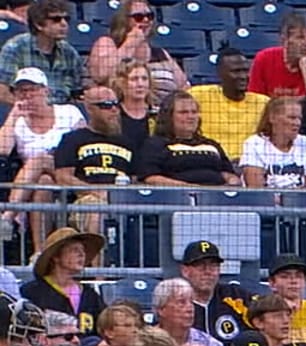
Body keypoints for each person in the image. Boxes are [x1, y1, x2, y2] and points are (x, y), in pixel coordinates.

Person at [0, 67, 83, 250]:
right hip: (38, 182)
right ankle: (40, 252)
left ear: (46, 90)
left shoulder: (68, 112)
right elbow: (3, 150)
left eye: (33, 89)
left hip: (69, 173)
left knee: (40, 159)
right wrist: (14, 113)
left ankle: (7, 217)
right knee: (43, 184)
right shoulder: (19, 121)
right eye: (22, 91)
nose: (28, 95)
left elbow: (83, 146)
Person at [51, 84, 133, 239]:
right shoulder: (73, 139)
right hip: (86, 201)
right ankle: (96, 264)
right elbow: (63, 177)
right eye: (106, 106)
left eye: (116, 104)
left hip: (122, 200)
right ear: (89, 109)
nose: (114, 110)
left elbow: (135, 178)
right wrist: (96, 192)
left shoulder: (127, 142)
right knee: (96, 209)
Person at [135, 90, 240, 187]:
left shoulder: (211, 145)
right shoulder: (155, 145)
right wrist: (189, 189)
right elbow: (151, 178)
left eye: (194, 112)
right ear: (169, 116)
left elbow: (229, 174)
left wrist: (231, 183)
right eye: (183, 112)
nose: (191, 116)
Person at [86, 1, 185, 102]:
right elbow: (101, 74)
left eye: (149, 16)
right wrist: (130, 43)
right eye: (138, 17)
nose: (146, 20)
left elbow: (183, 85)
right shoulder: (107, 43)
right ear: (124, 20)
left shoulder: (161, 53)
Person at [188, 46, 268, 162]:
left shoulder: (263, 103)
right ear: (220, 73)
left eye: (245, 71)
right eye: (236, 71)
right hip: (209, 161)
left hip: (249, 164)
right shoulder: (197, 95)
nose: (243, 76)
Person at [20, 227, 102, 333]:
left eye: (83, 251)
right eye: (74, 250)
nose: (82, 255)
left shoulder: (90, 295)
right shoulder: (33, 292)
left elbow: (103, 327)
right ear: (56, 257)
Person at [0, 0, 82, 104]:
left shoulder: (70, 53)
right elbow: (2, 92)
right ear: (38, 24)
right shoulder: (15, 48)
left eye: (66, 19)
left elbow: (76, 94)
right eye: (56, 19)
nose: (64, 24)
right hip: (26, 112)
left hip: (63, 114)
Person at [174, 240, 250, 346]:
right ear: (185, 271)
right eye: (200, 266)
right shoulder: (174, 303)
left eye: (213, 265)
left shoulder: (236, 296)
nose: (207, 271)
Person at [151, 278, 229, 346]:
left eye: (191, 302)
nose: (190, 308)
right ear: (161, 309)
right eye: (181, 302)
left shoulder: (211, 345)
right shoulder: (145, 343)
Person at [241, 96, 306, 189]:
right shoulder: (254, 143)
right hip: (265, 203)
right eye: (292, 117)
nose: (297, 123)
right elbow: (256, 189)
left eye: (299, 118)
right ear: (272, 118)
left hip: (299, 202)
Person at [249, 11, 306, 99]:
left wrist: (305, 67)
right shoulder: (264, 59)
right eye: (300, 37)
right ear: (284, 41)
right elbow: (255, 101)